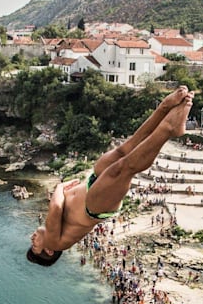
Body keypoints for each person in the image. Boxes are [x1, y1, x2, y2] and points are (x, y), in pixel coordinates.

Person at [27, 87, 194, 266]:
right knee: (124, 168)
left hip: (92, 183)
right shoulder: (55, 242)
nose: (32, 239)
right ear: (49, 251)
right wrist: (59, 188)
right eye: (35, 246)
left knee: (125, 148)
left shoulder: (54, 235)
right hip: (94, 206)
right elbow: (56, 207)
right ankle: (169, 128)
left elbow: (59, 209)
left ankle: (164, 108)